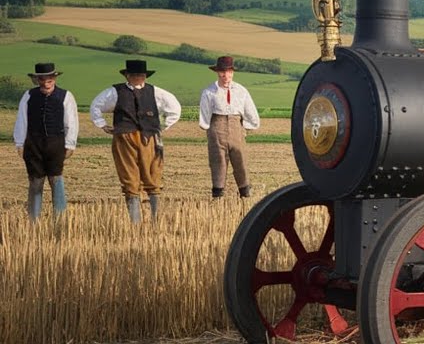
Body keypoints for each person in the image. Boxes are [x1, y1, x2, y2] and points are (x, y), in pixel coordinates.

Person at [89, 59, 181, 223]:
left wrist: (163, 127)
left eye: (140, 75)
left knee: (153, 176)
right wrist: (103, 125)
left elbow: (174, 108)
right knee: (129, 177)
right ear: (127, 76)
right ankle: (135, 222)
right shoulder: (115, 92)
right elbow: (96, 106)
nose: (138, 77)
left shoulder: (156, 92)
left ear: (145, 76)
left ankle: (155, 220)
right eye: (134, 75)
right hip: (125, 138)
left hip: (150, 138)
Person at [14, 63, 79, 220]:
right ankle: (33, 220)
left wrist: (70, 144)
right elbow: (21, 120)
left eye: (49, 78)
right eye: (42, 79)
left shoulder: (66, 96)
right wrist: (20, 143)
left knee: (56, 179)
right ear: (37, 79)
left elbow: (71, 121)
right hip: (33, 143)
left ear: (54, 78)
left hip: (56, 142)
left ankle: (60, 219)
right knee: (36, 180)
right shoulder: (28, 96)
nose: (46, 82)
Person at [198, 56, 260, 198]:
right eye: (222, 72)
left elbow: (251, 112)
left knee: (240, 161)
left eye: (229, 72)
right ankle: (217, 196)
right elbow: (205, 115)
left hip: (236, 127)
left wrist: (245, 127)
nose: (226, 75)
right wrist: (208, 129)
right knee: (217, 161)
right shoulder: (209, 92)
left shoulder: (241, 91)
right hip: (216, 127)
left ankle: (245, 194)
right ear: (217, 72)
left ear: (233, 72)